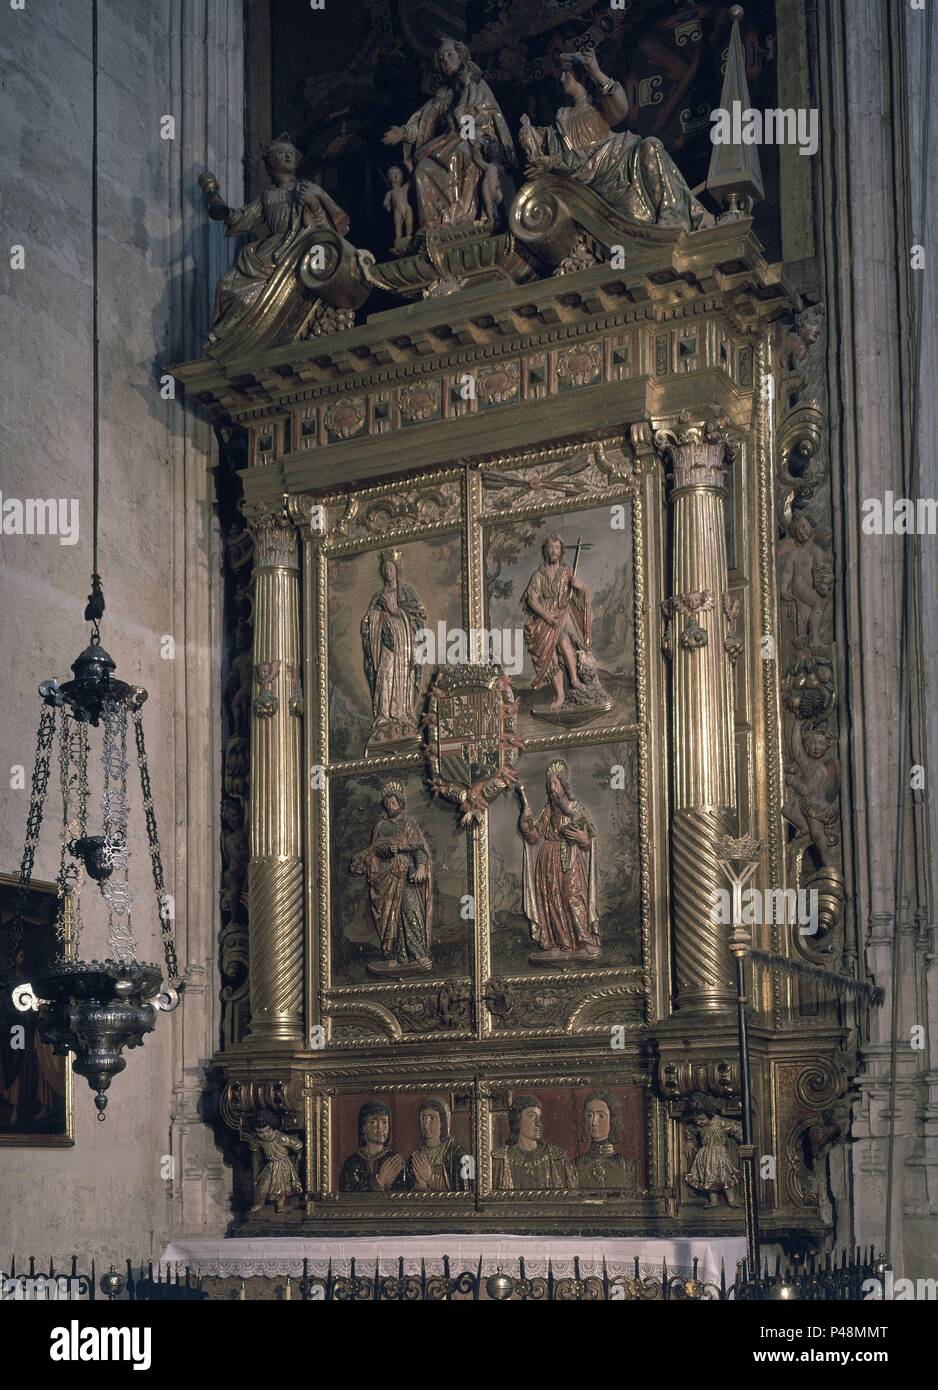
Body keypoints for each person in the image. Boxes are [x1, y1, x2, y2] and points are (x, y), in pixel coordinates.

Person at [519, 49, 710, 230]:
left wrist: (597, 73)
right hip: (588, 176)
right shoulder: (562, 117)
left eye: (565, 73)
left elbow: (621, 108)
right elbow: (542, 146)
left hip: (618, 160)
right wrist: (527, 130)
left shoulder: (597, 108)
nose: (561, 78)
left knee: (651, 145)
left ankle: (674, 215)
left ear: (580, 76)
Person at [203, 133, 351, 345]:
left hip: (299, 246)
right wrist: (225, 211)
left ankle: (223, 337)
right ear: (272, 161)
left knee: (249, 296)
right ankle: (225, 337)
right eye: (282, 153)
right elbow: (244, 218)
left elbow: (333, 232)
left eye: (291, 153)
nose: (288, 157)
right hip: (271, 248)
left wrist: (315, 205)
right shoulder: (267, 196)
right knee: (226, 283)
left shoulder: (309, 188)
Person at [382, 38, 515, 229]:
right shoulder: (443, 94)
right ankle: (434, 226)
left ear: (461, 56)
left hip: (477, 139)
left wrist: (468, 126)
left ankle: (465, 218)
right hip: (449, 142)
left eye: (449, 54)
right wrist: (403, 132)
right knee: (422, 170)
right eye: (441, 58)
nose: (445, 60)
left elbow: (489, 115)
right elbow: (424, 121)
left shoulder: (476, 84)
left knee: (463, 152)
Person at [518, 760, 600, 962]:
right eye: (549, 785)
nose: (551, 788)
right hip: (547, 859)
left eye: (554, 783)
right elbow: (534, 837)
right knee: (552, 900)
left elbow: (590, 837)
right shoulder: (548, 811)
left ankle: (586, 941)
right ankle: (559, 944)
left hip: (570, 857)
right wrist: (524, 820)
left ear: (564, 784)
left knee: (573, 896)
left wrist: (584, 840)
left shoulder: (576, 809)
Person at [349, 780, 433, 975]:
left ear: (400, 803)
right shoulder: (381, 826)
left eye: (394, 804)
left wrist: (421, 867)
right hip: (386, 878)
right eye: (388, 804)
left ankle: (419, 954)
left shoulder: (409, 823)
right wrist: (387, 850)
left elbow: (419, 848)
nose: (391, 807)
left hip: (406, 876)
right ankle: (394, 957)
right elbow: (375, 851)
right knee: (389, 916)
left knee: (411, 912)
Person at [361, 549, 426, 751]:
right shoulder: (378, 596)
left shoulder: (406, 593)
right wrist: (376, 618)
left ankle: (401, 714)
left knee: (401, 676)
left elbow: (418, 616)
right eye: (385, 569)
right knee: (383, 674)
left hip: (404, 642)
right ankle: (384, 716)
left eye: (391, 569)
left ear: (397, 570)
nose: (388, 573)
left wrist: (396, 612)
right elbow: (368, 621)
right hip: (385, 642)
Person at [491, 1093, 577, 1190]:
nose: (538, 1123)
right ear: (517, 1119)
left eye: (539, 1117)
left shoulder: (558, 1158)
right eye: (532, 1116)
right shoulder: (499, 1159)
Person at [339, 1100, 412, 1192]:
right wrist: (379, 1181)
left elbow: (404, 1194)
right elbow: (347, 1195)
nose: (380, 1128)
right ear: (363, 1128)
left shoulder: (394, 1161)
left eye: (384, 1122)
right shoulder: (352, 1162)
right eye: (373, 1122)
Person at [407, 1097, 471, 1191]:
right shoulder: (416, 1157)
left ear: (443, 1121)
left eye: (432, 1118)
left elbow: (465, 1193)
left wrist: (430, 1178)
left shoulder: (459, 1156)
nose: (426, 1124)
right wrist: (421, 1186)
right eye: (423, 1118)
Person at [575, 1092, 635, 1191]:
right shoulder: (577, 1165)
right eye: (590, 1116)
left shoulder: (626, 1165)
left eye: (601, 1116)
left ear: (612, 1119)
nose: (594, 1122)